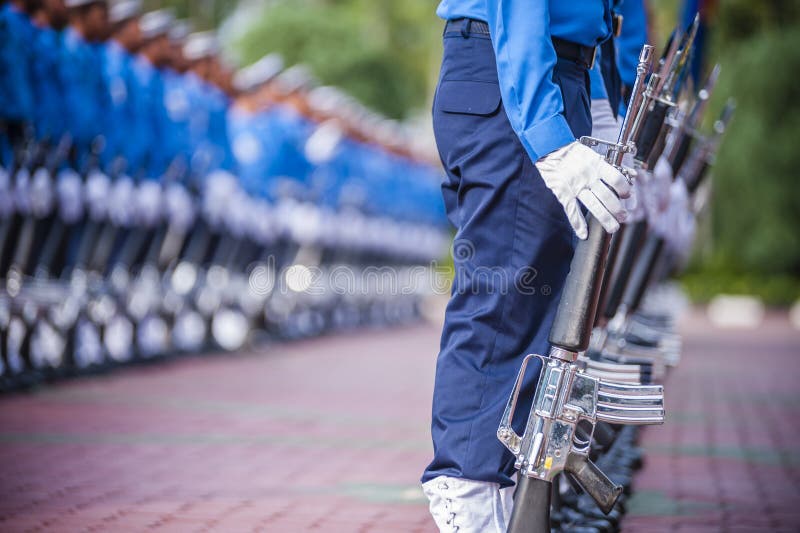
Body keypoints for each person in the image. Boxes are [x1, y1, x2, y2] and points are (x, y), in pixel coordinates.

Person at [421, 2, 634, 532]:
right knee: (503, 298)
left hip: (558, 75)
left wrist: (598, 95)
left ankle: (504, 496)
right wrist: (547, 128)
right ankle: (469, 499)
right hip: (518, 74)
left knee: (539, 309)